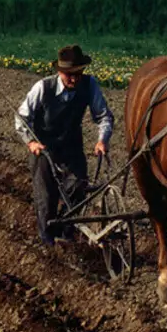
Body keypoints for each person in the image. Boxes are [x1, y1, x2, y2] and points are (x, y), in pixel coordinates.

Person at [15, 44, 113, 246]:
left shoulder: (89, 85)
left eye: (78, 73)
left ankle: (66, 233)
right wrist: (31, 142)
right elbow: (22, 118)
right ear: (59, 71)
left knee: (79, 187)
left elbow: (103, 116)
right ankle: (48, 243)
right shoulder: (43, 87)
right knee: (46, 197)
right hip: (44, 149)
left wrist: (102, 140)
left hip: (71, 146)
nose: (75, 79)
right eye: (69, 75)